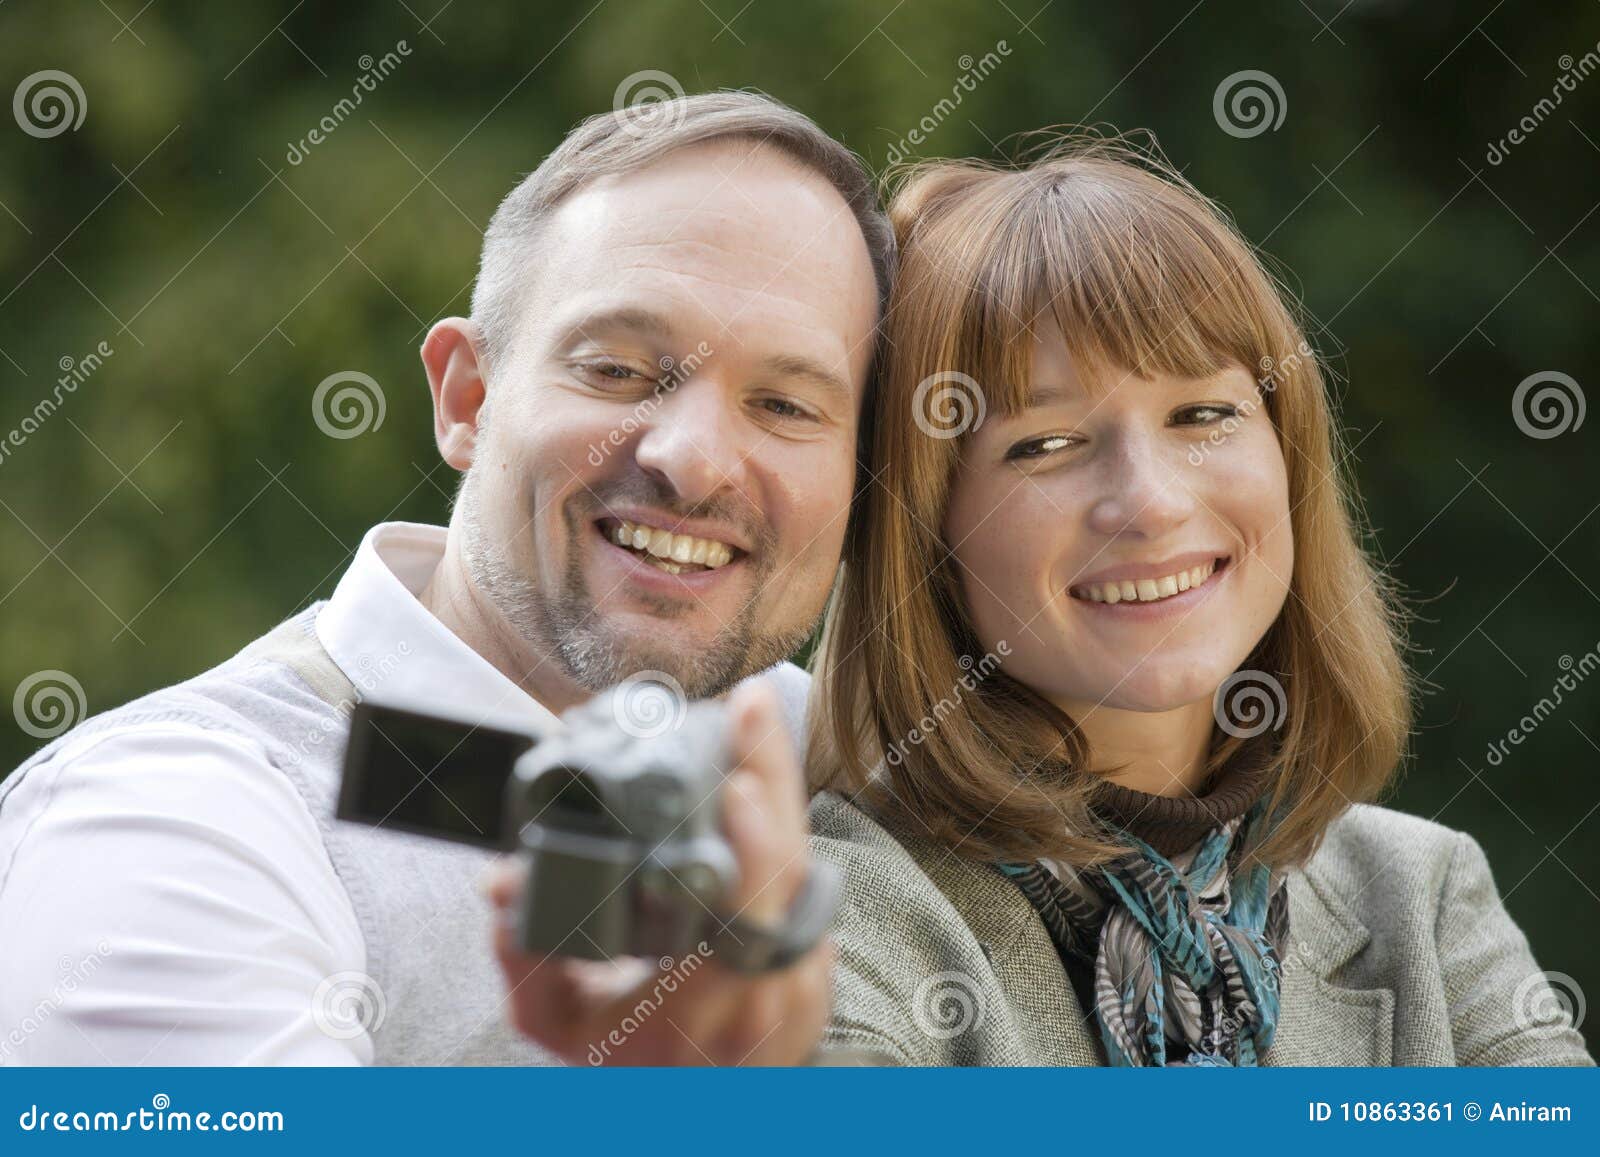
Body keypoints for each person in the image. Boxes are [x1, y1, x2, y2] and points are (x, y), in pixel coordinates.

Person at [0, 90, 892, 1066]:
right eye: (617, 371)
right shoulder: (175, 823)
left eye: (785, 405)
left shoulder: (857, 761)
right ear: (467, 397)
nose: (694, 458)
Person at [804, 136, 1595, 1066]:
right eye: (1046, 442)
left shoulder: (1419, 893)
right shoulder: (831, 912)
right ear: (923, 532)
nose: (1152, 502)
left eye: (1203, 414)